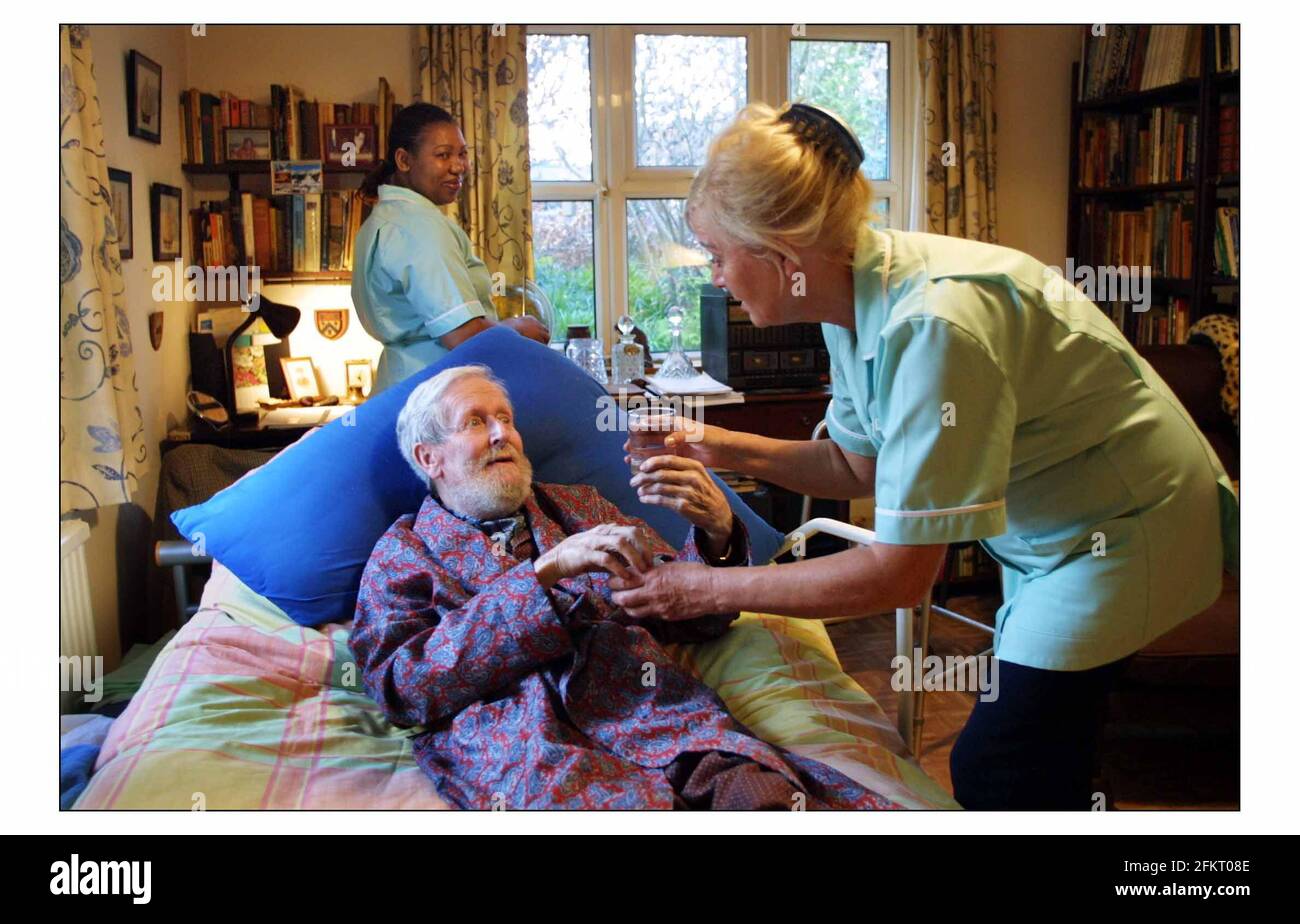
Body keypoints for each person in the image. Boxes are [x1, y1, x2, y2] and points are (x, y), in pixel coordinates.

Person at [612, 102, 1240, 810]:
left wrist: (699, 589)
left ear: (782, 256)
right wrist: (715, 442)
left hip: (1128, 534)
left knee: (1001, 767)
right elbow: (857, 469)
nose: (717, 278)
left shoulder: (932, 325)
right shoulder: (853, 300)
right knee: (1052, 752)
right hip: (1054, 540)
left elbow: (898, 575)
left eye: (719, 255)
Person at [349, 364, 898, 810]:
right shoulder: (403, 556)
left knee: (772, 798)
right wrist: (543, 576)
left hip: (664, 724)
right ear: (430, 458)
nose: (502, 434)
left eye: (505, 418)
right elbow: (404, 690)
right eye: (475, 422)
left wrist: (716, 532)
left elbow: (692, 615)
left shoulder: (579, 506)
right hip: (536, 757)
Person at [353, 103, 549, 394]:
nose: (459, 166)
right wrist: (518, 329)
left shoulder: (381, 219)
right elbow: (463, 334)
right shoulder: (420, 226)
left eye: (462, 154)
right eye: (443, 155)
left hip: (399, 388)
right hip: (437, 397)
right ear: (404, 160)